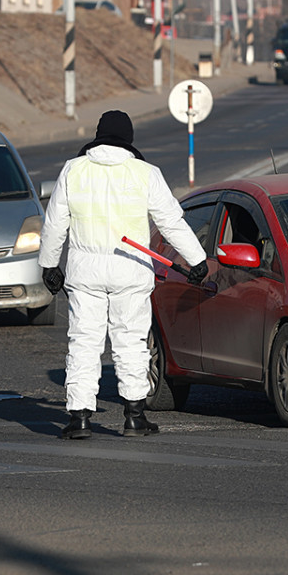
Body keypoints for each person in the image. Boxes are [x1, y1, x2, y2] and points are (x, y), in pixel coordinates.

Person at [39, 110, 208, 439]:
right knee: (131, 342)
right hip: (131, 269)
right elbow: (170, 221)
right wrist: (197, 259)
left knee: (84, 342)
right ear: (129, 138)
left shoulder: (74, 170)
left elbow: (55, 221)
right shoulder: (146, 173)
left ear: (98, 135)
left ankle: (80, 418)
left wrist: (49, 263)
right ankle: (134, 416)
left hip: (85, 271)